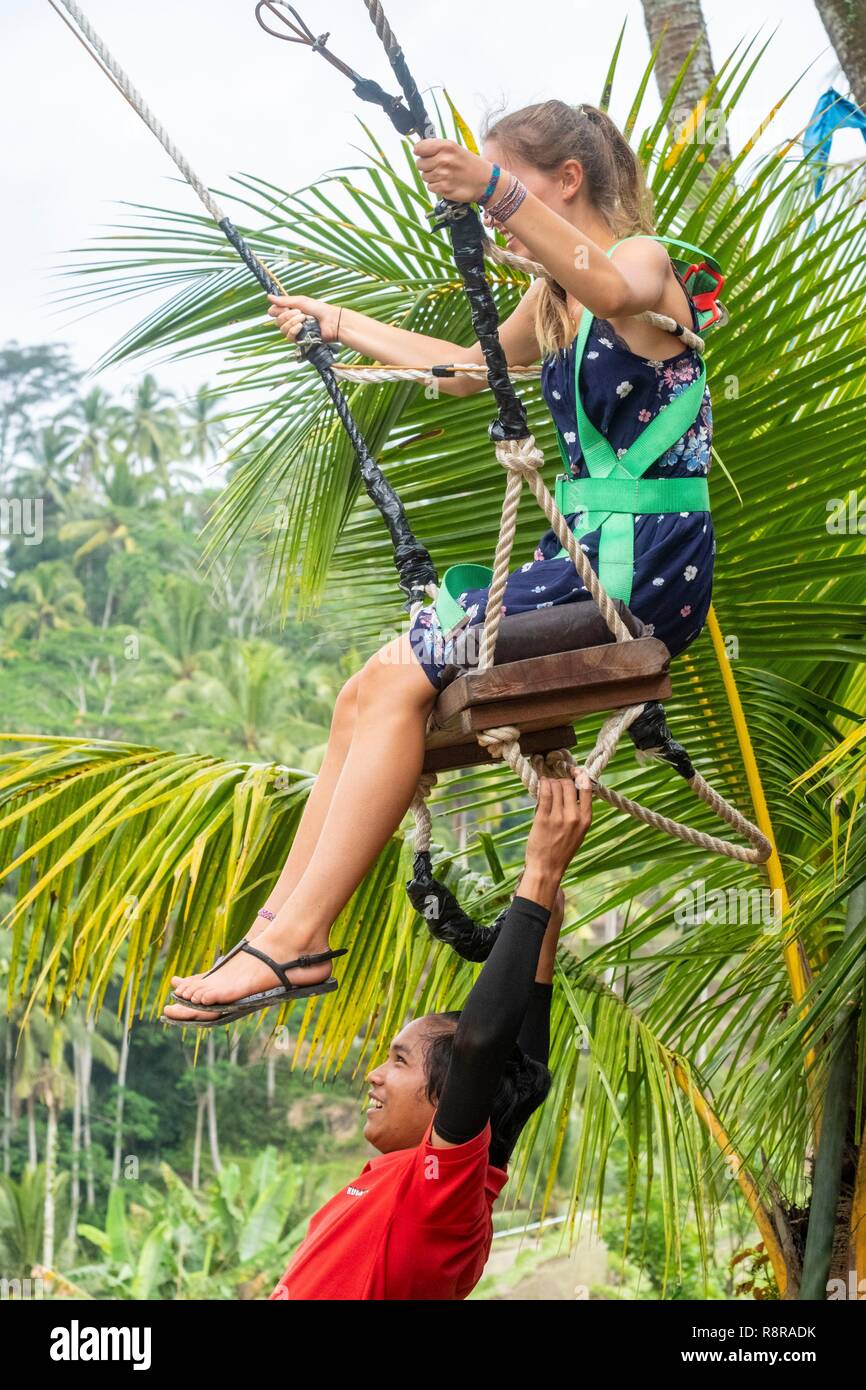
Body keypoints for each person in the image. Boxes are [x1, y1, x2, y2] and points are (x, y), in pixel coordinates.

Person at [164, 99, 712, 1025]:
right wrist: (337, 323)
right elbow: (462, 371)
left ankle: (295, 944)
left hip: (639, 576)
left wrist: (490, 187)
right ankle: (278, 930)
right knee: (364, 695)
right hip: (581, 562)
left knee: (391, 679)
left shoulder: (642, 264)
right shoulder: (554, 301)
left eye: (514, 194)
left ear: (565, 180)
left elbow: (621, 294)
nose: (496, 226)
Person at [267, 771, 591, 1301]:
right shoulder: (449, 1193)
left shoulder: (437, 1201)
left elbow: (484, 1048)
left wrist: (541, 872)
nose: (373, 1073)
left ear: (450, 1097)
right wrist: (542, 931)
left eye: (399, 1060)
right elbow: (519, 1074)